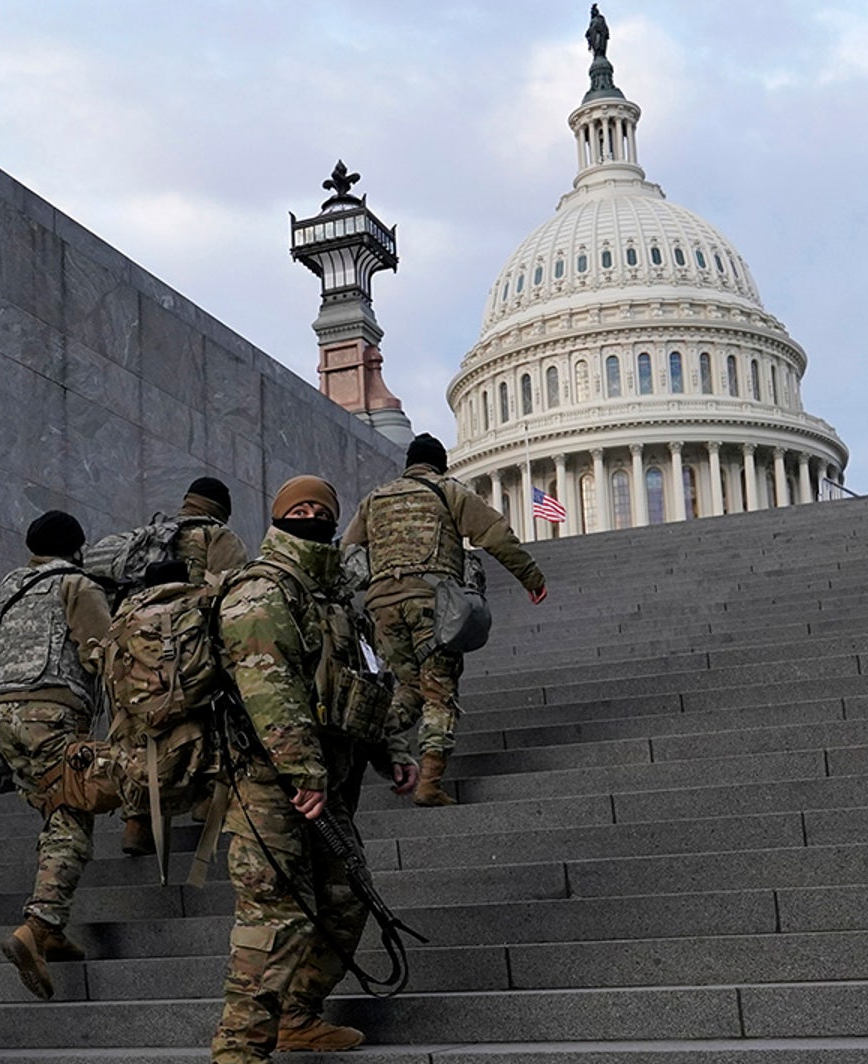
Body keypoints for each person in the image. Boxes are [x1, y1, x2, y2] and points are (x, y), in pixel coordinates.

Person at [212, 476, 401, 1061]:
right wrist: (302, 769)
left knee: (346, 897)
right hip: (269, 784)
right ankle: (238, 1049)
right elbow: (266, 685)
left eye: (322, 507)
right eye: (299, 508)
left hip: (325, 782)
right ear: (278, 518)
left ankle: (296, 1016)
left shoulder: (336, 600)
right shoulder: (262, 588)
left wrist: (390, 752)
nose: (311, 514)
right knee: (275, 914)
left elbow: (363, 685)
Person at [342, 434, 546, 807]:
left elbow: (348, 549)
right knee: (438, 692)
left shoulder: (375, 498)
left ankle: (368, 732)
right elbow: (495, 535)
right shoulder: (449, 491)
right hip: (433, 604)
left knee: (409, 687)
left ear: (409, 463)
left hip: (382, 606)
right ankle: (429, 784)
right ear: (440, 464)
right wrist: (531, 578)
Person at [0, 510, 113, 1000]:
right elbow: (101, 653)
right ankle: (37, 928)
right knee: (72, 818)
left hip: (3, 718)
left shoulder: (13, 587)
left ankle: (54, 931)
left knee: (55, 814)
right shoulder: (77, 585)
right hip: (52, 715)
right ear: (77, 547)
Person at [117, 477, 251, 855]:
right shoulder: (218, 537)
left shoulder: (152, 535)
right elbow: (234, 596)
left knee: (141, 731)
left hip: (140, 656)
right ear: (221, 509)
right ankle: (207, 798)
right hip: (192, 653)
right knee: (212, 717)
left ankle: (139, 823)